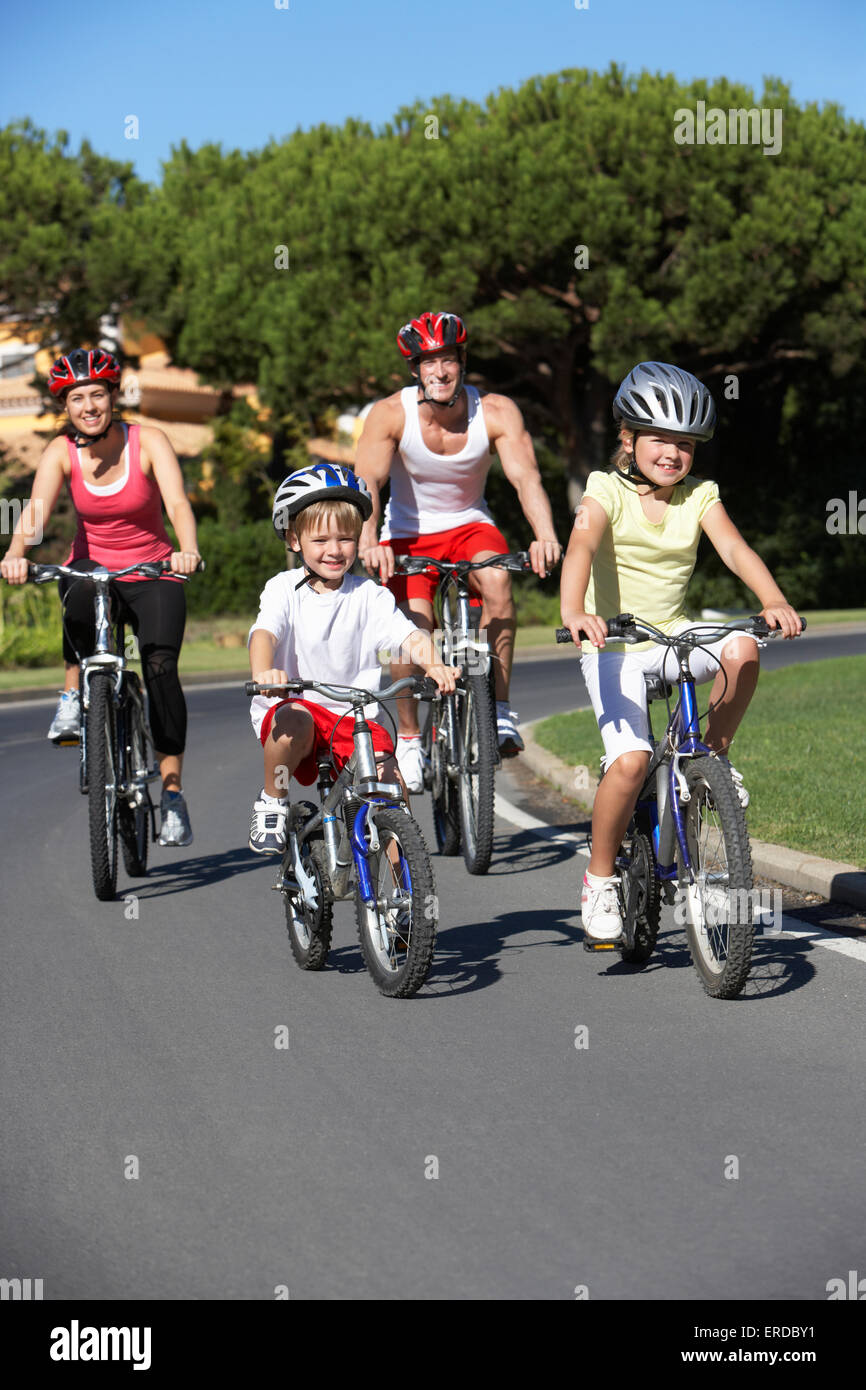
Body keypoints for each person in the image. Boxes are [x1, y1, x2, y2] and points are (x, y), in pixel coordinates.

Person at [560, 360, 802, 945]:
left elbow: (735, 550)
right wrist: (574, 612)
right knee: (630, 763)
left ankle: (712, 761)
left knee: (742, 647)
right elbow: (581, 546)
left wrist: (772, 600)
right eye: (660, 440)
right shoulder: (603, 490)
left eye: (686, 444)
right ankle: (599, 879)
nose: (673, 454)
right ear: (628, 438)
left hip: (672, 635)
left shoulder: (701, 496)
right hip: (614, 644)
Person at [0, 347, 201, 847]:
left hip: (152, 569)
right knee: (76, 589)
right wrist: (16, 553)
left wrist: (188, 549)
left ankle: (172, 795)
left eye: (97, 394)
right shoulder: (60, 452)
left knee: (160, 669)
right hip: (93, 568)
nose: (88, 406)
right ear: (65, 406)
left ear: (113, 397)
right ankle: (73, 697)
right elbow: (35, 512)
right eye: (77, 398)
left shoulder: (148, 440)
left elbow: (177, 502)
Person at [354, 310, 562, 791]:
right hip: (407, 533)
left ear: (462, 362)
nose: (440, 370)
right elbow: (367, 483)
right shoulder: (390, 414)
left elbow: (526, 478)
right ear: (415, 369)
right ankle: (410, 738)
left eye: (447, 359)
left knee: (499, 583)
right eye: (429, 362)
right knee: (411, 627)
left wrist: (545, 535)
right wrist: (368, 542)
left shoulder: (496, 411)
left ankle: (500, 710)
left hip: (471, 527)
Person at [247, 463, 460, 854]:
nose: (334, 550)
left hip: (355, 716)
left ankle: (406, 881)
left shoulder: (370, 595)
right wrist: (264, 673)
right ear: (294, 538)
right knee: (292, 720)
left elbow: (408, 635)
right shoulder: (283, 589)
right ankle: (273, 799)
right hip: (298, 708)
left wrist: (434, 664)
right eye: (320, 539)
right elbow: (265, 633)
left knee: (392, 790)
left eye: (345, 538)